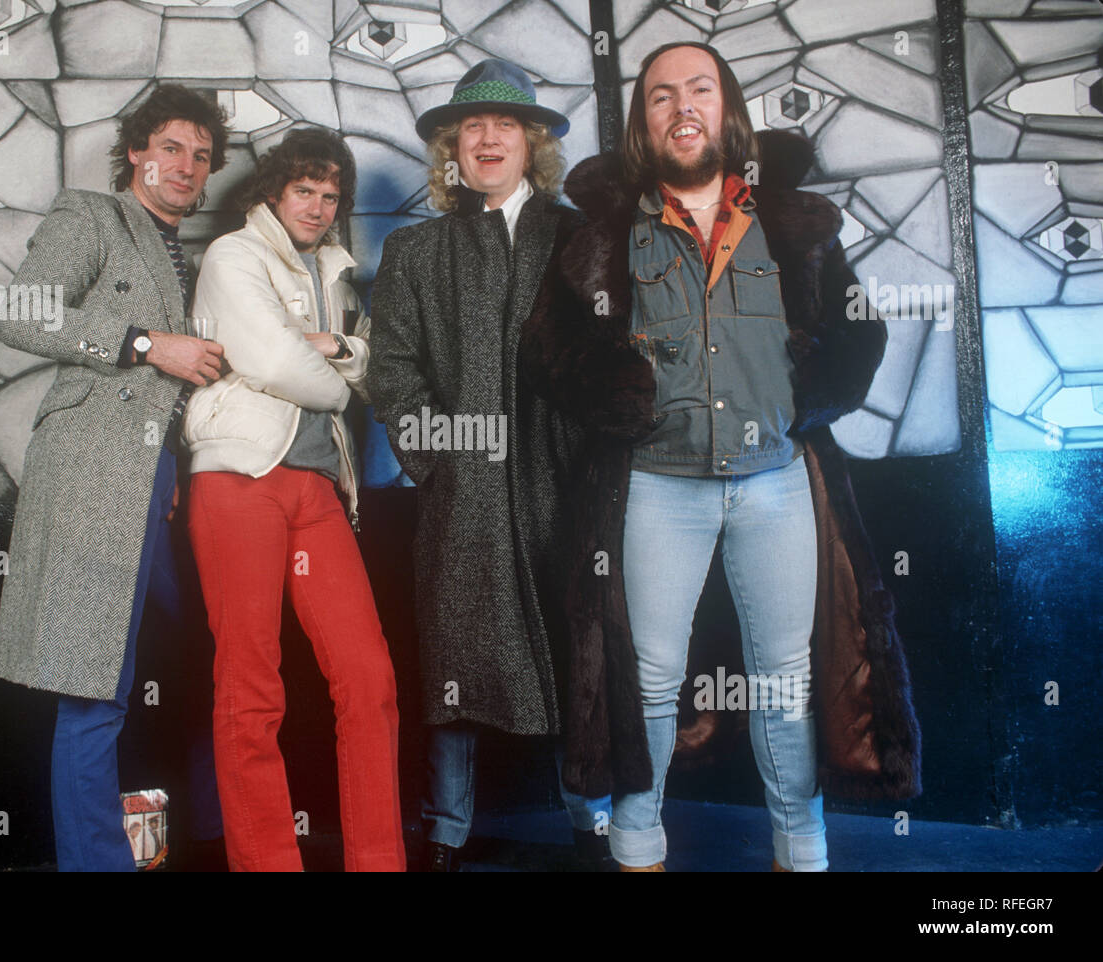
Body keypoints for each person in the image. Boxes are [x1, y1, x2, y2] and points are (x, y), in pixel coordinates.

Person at [521, 41, 922, 872]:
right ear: (645, 122)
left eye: (698, 89)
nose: (682, 107)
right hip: (657, 488)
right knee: (650, 679)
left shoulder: (790, 223)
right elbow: (550, 352)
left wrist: (809, 397)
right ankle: (637, 848)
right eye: (661, 96)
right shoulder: (606, 233)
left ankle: (800, 851)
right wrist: (617, 394)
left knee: (786, 681)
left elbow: (858, 329)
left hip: (775, 483)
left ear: (727, 110)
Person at [368, 59, 611, 872]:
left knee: (580, 648)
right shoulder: (415, 250)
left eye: (506, 124)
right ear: (453, 149)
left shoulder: (580, 236)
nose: (488, 138)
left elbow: (615, 360)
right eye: (472, 127)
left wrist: (588, 463)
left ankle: (595, 817)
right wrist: (442, 459)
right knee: (455, 661)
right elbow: (393, 370)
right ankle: (445, 830)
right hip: (463, 490)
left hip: (564, 484)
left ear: (531, 142)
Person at [0, 84, 230, 871]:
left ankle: (204, 839)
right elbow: (20, 311)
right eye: (170, 147)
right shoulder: (91, 215)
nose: (186, 166)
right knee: (94, 685)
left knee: (205, 655)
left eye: (200, 155)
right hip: (94, 466)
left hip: (161, 479)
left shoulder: (188, 257)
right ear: (135, 151)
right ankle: (95, 864)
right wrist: (143, 343)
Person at [182, 128, 404, 872]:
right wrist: (333, 371)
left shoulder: (335, 274)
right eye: (304, 189)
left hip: (317, 486)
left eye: (331, 194)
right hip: (240, 477)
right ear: (275, 191)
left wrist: (331, 349)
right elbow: (276, 359)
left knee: (367, 677)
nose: (317, 205)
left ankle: (379, 862)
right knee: (251, 687)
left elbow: (375, 363)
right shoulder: (233, 256)